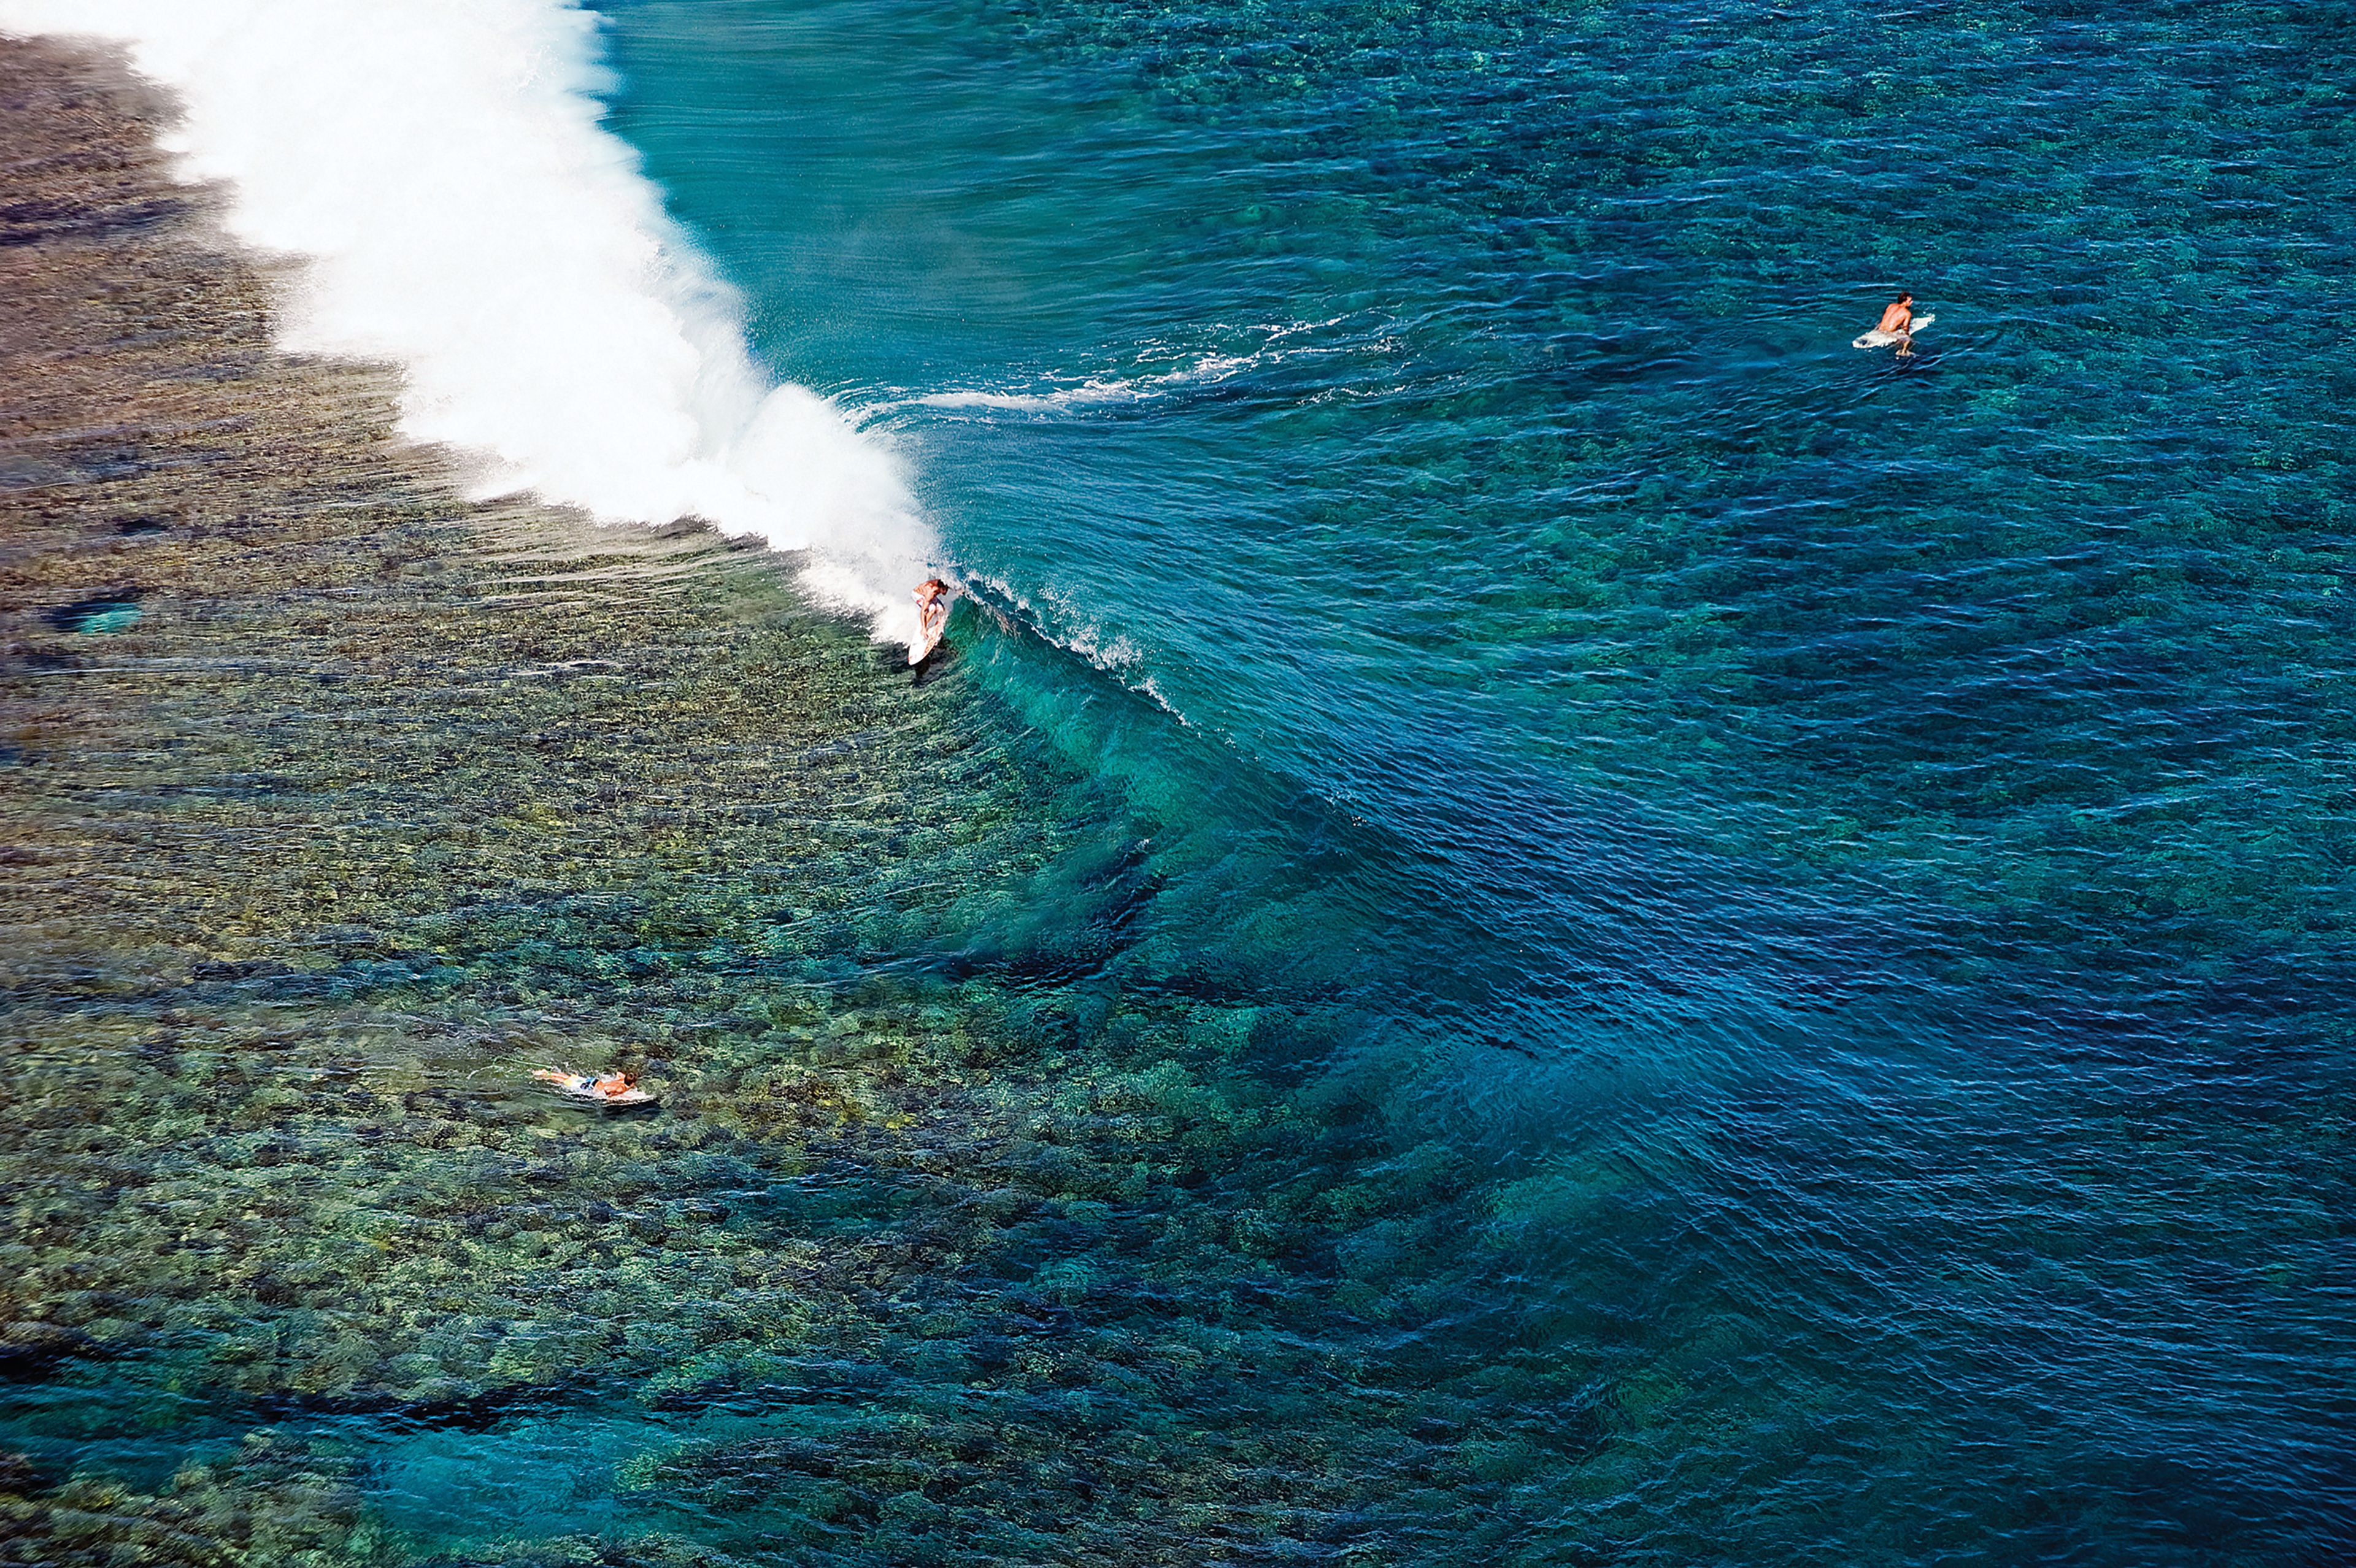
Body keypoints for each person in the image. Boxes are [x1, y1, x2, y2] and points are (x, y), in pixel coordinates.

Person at [1875, 291, 1917, 356]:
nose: (1912, 302)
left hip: (1880, 329)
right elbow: (1906, 328)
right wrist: (1907, 336)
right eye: (1910, 301)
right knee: (1908, 340)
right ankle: (1903, 351)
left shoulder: (1891, 306)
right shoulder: (1907, 313)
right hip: (1889, 333)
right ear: (1904, 302)